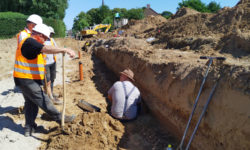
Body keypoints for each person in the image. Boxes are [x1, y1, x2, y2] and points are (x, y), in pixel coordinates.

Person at [13, 23, 76, 137]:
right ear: (39, 35)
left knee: (31, 103)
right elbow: (46, 48)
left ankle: (29, 128)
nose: (45, 41)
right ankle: (60, 118)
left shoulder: (30, 43)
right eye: (45, 38)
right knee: (43, 99)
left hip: (25, 79)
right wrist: (65, 49)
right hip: (27, 79)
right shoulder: (30, 41)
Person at [43, 26, 61, 105]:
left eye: (51, 34)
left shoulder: (52, 40)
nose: (50, 35)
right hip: (45, 64)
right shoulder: (42, 41)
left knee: (52, 78)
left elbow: (56, 48)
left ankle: (51, 92)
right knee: (47, 81)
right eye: (50, 34)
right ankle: (49, 97)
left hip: (53, 62)